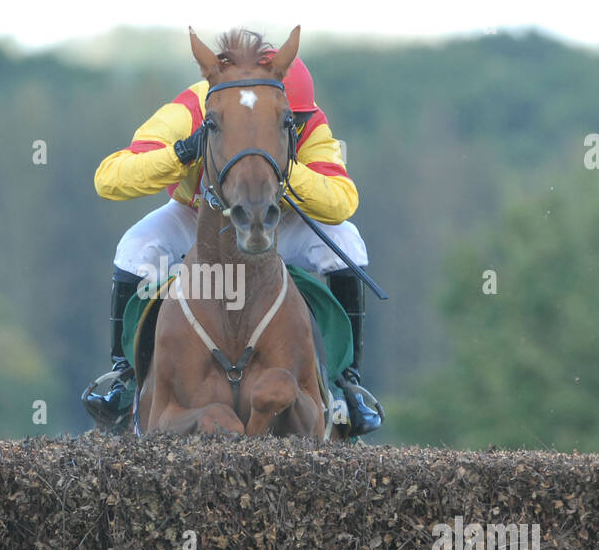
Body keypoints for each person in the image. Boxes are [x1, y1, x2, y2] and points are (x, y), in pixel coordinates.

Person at [82, 28, 382, 435]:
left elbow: (342, 199)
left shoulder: (310, 119)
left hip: (281, 211)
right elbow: (110, 178)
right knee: (137, 245)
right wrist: (183, 153)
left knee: (345, 240)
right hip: (198, 212)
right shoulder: (191, 106)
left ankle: (348, 384)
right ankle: (122, 378)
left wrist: (274, 166)